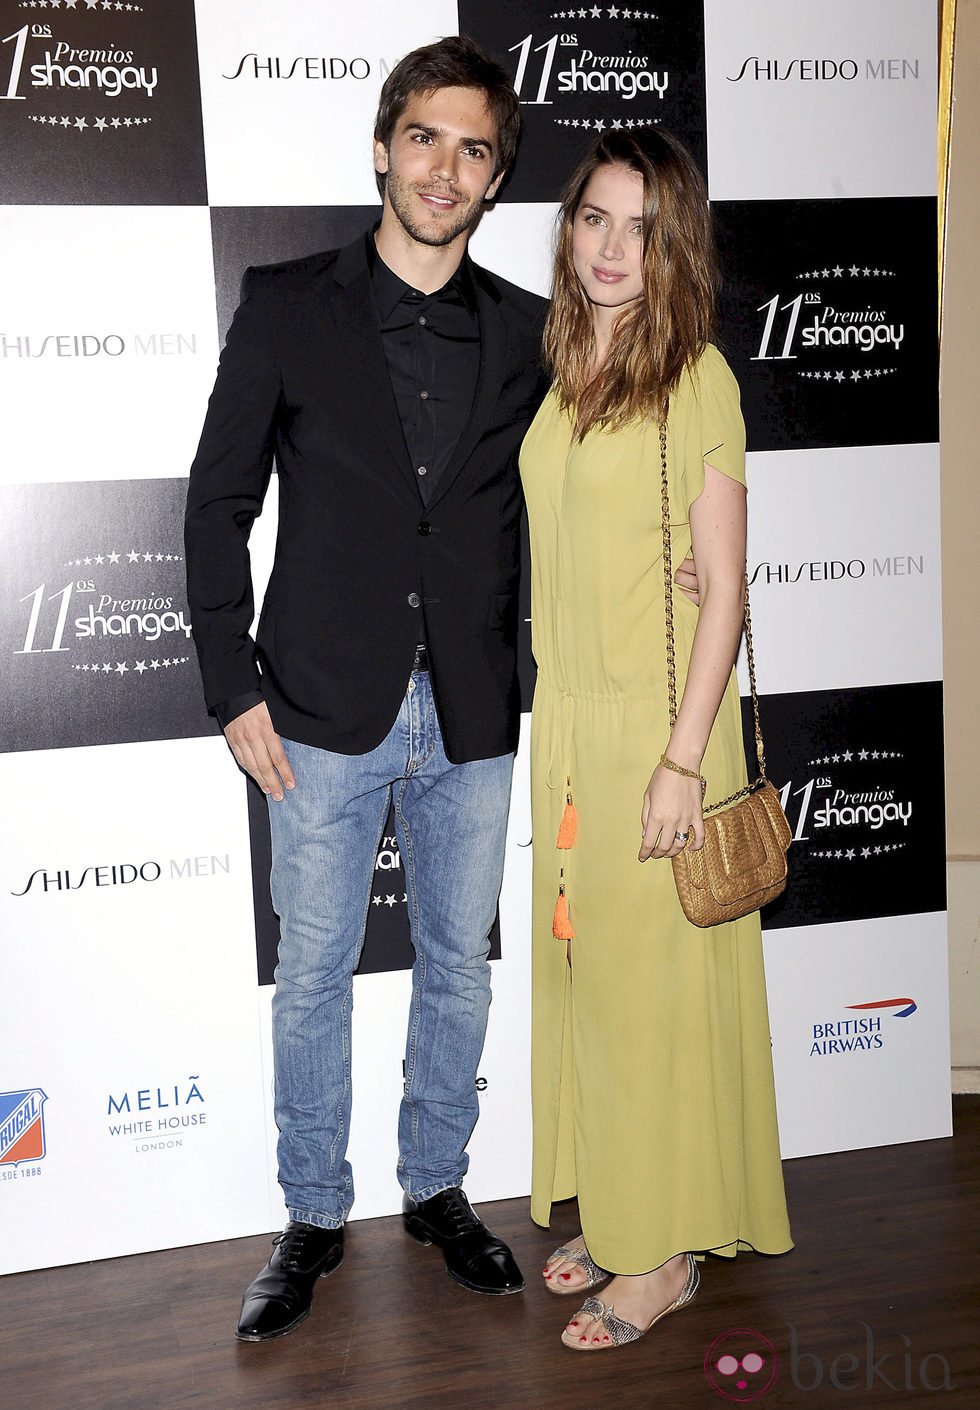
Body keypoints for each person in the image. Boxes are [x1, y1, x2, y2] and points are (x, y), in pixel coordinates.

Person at [184, 37, 550, 1341]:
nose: (446, 167)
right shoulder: (289, 304)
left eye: (475, 148)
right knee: (318, 971)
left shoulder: (528, 334)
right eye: (427, 138)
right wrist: (232, 683)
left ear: (496, 176)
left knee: (459, 964)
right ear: (383, 146)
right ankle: (311, 1215)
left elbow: (567, 500)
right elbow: (219, 500)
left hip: (473, 707)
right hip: (321, 710)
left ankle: (438, 1186)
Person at [519, 130, 792, 1352]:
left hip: (657, 729)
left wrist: (682, 762)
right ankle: (625, 1205)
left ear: (670, 242)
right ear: (568, 226)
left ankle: (665, 1253)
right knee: (589, 984)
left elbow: (723, 591)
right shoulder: (568, 362)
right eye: (592, 219)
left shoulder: (698, 376)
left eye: (639, 227)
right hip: (568, 716)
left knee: (650, 1000)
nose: (611, 248)